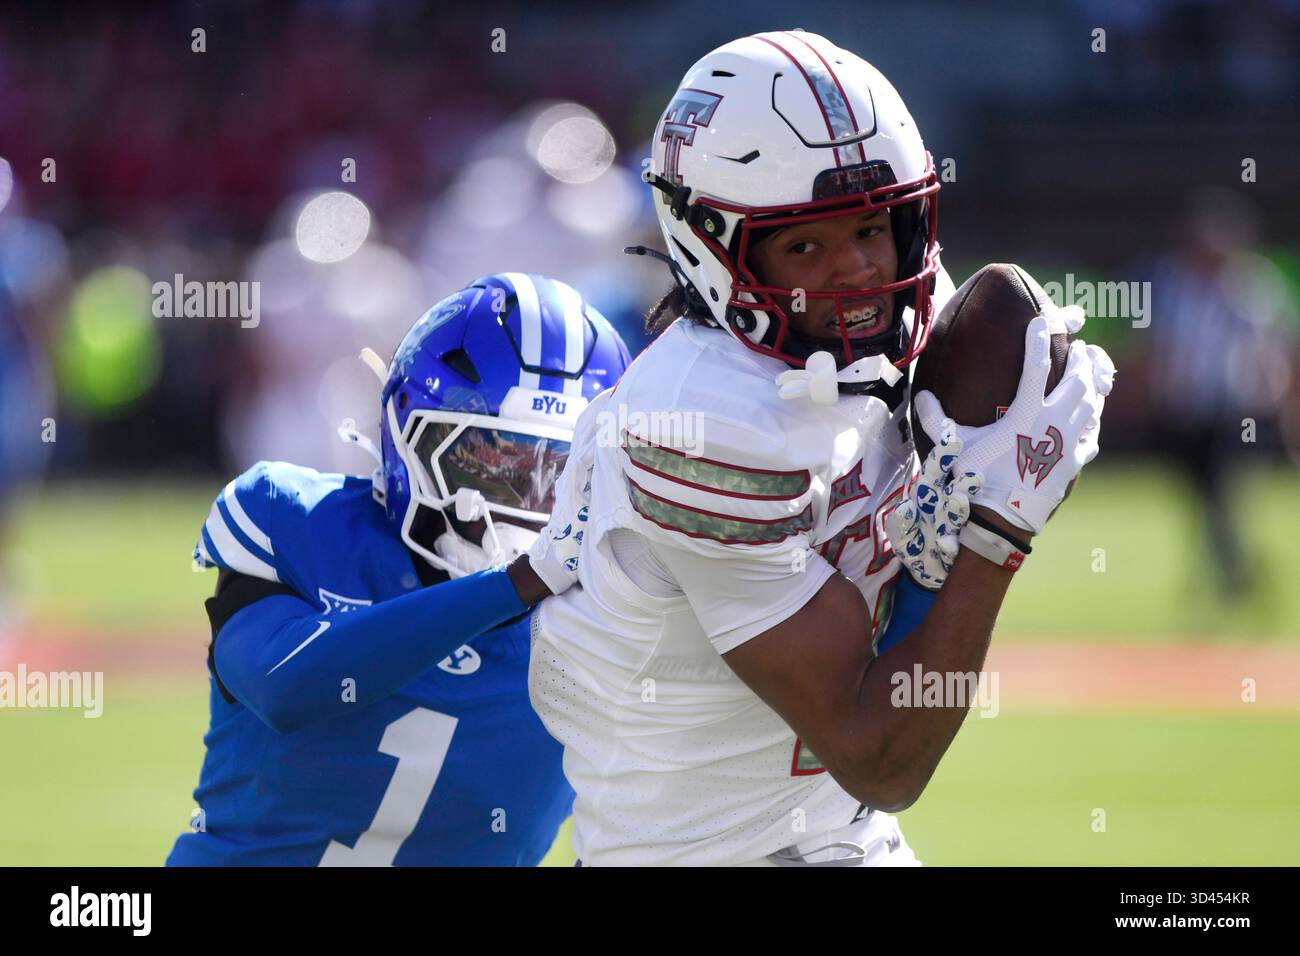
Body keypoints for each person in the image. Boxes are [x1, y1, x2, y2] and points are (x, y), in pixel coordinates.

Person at [525, 31, 1114, 866]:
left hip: (844, 835)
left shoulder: (888, 323)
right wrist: (998, 529)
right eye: (805, 246)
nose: (859, 274)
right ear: (712, 245)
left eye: (873, 229)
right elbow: (881, 756)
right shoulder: (697, 426)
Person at [167, 273, 631, 866]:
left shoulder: (609, 610)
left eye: (556, 472)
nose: (524, 500)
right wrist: (517, 585)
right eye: (491, 460)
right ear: (409, 437)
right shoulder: (292, 519)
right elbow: (285, 686)